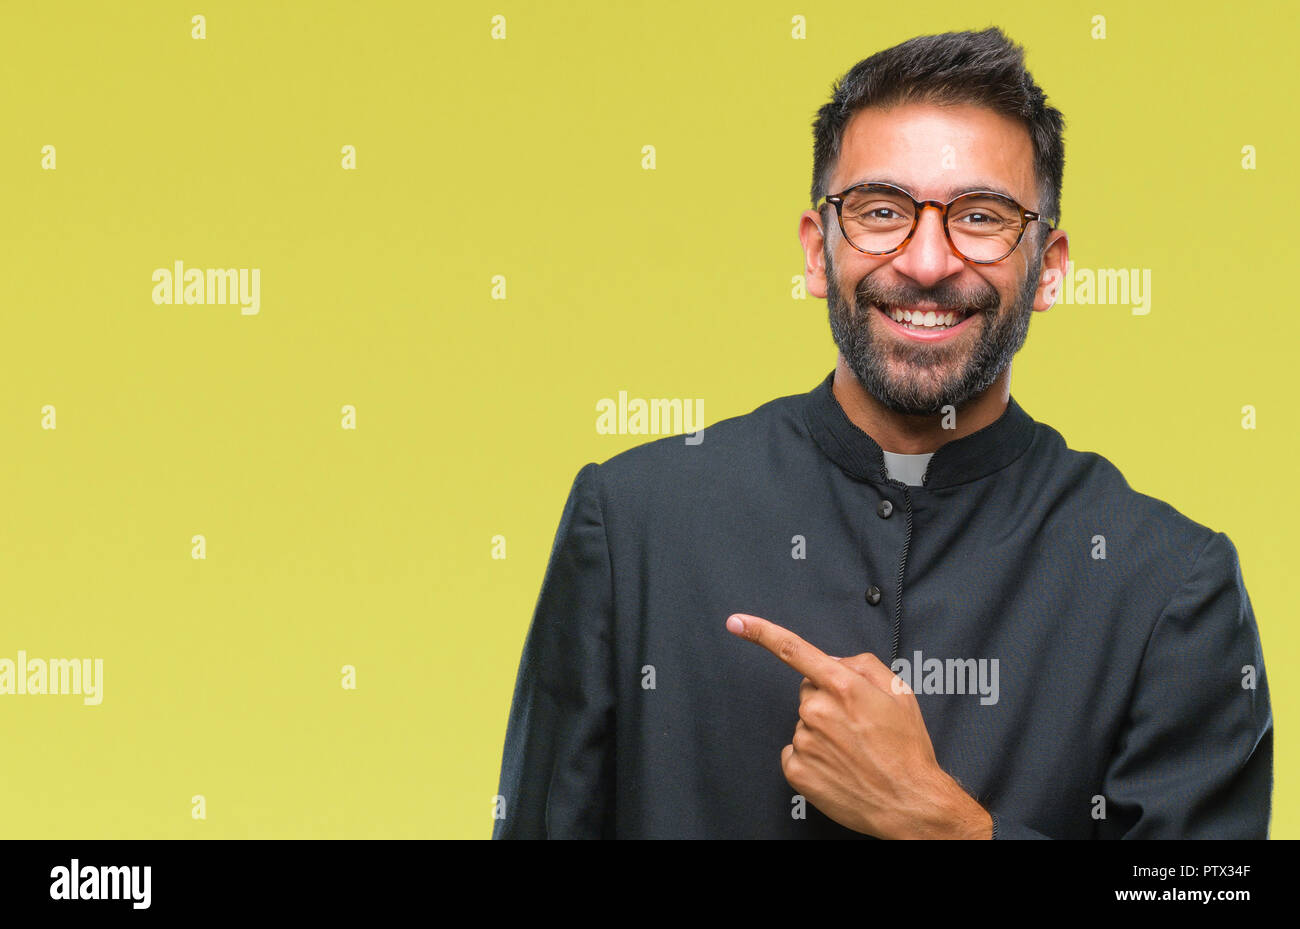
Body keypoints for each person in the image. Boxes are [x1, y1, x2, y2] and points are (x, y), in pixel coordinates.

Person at [491, 26, 1272, 839]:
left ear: (1049, 268)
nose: (927, 260)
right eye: (879, 210)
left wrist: (949, 827)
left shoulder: (1174, 586)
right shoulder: (631, 525)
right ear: (816, 254)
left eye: (980, 215)